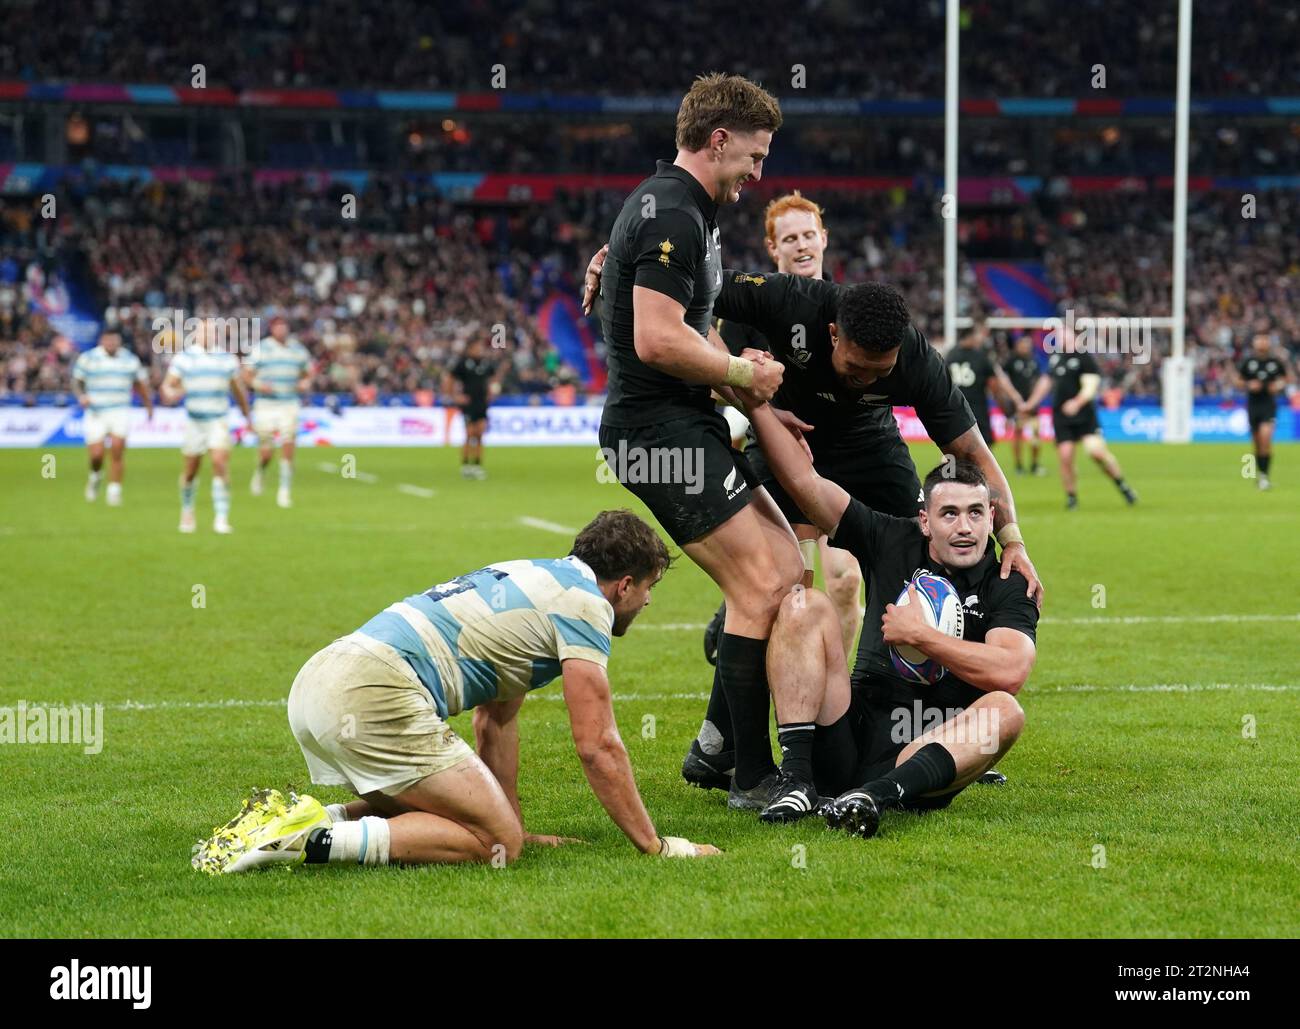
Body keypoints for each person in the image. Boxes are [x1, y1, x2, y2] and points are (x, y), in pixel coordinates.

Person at [584, 251, 1040, 794]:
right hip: (787, 445)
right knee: (777, 586)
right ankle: (722, 744)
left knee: (928, 559)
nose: (867, 377)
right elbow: (681, 292)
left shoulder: (918, 361)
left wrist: (1011, 536)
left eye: (881, 370)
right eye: (856, 365)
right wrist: (625, 266)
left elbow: (974, 452)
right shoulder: (785, 299)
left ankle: (939, 734)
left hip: (869, 445)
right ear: (830, 334)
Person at [191, 510, 719, 872]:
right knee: (495, 846)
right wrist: (654, 844)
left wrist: (511, 814)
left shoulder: (535, 574)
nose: (647, 602)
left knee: (468, 820)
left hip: (323, 677)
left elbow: (498, 718)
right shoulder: (587, 605)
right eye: (648, 587)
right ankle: (311, 843)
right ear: (624, 584)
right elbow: (596, 744)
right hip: (374, 691)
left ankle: (302, 819)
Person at [594, 72, 802, 810]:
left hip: (679, 423)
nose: (759, 171)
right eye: (754, 154)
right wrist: (745, 368)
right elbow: (656, 339)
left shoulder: (682, 209)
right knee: (764, 582)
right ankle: (748, 774)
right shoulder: (676, 216)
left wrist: (749, 394)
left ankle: (719, 748)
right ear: (718, 141)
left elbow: (687, 326)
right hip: (657, 431)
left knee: (786, 569)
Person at [740, 394, 1035, 832]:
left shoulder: (1008, 580)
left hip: (924, 753)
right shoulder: (890, 539)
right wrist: (757, 405)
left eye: (976, 513)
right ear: (925, 521)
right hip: (852, 727)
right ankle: (799, 780)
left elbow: (1011, 670)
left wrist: (921, 636)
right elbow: (807, 485)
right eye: (949, 514)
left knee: (1006, 710)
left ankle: (875, 796)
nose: (965, 527)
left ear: (992, 518)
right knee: (805, 603)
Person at [1020, 326, 1137, 510]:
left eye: (1063, 333)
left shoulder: (1084, 357)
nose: (1060, 337)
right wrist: (1031, 403)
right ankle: (1071, 497)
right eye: (1058, 335)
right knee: (1065, 457)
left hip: (1084, 415)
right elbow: (1046, 382)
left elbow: (1091, 386)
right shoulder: (1056, 358)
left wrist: (1076, 402)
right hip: (1061, 415)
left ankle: (1122, 484)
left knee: (1096, 452)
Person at [161, 320, 252, 534]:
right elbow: (168, 385)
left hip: (218, 420)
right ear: (195, 334)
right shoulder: (184, 358)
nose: (207, 335)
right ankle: (187, 511)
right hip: (195, 421)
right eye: (203, 331)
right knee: (191, 470)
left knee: (220, 463)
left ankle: (221, 517)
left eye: (211, 331)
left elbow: (237, 389)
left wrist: (247, 414)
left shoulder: (226, 359)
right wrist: (171, 393)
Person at [71, 330, 154, 506]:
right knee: (96, 455)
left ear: (119, 341)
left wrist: (148, 405)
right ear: (102, 340)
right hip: (96, 412)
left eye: (114, 340)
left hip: (120, 410)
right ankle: (95, 477)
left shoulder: (129, 359)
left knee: (117, 450)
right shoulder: (88, 358)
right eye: (108, 340)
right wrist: (81, 396)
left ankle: (114, 491)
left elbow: (139, 384)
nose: (111, 344)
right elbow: (76, 381)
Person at [246, 316, 311, 508]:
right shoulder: (261, 349)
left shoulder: (298, 350)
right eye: (278, 327)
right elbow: (247, 374)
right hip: (266, 404)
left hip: (289, 403)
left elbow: (308, 373)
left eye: (284, 326)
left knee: (288, 442)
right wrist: (259, 385)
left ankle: (284, 490)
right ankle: (261, 471)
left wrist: (305, 383)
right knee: (267, 450)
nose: (281, 330)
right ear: (272, 329)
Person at [945, 320, 1023, 448]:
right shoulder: (981, 357)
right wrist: (1007, 413)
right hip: (976, 414)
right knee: (984, 454)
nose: (983, 338)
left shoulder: (950, 355)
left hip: (954, 412)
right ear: (972, 335)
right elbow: (995, 388)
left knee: (951, 454)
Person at [1235, 330, 1291, 490]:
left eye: (1264, 340)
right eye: (1259, 340)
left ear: (1268, 342)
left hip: (1268, 405)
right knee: (1257, 443)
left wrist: (1278, 386)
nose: (1262, 343)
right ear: (1254, 343)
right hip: (1253, 405)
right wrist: (1248, 385)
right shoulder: (1248, 362)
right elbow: (1238, 381)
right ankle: (1260, 476)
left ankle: (1265, 477)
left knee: (1266, 437)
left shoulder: (1275, 362)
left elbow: (1286, 379)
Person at [444, 338, 504, 480]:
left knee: (480, 435)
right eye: (477, 348)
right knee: (469, 434)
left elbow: (494, 378)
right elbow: (450, 379)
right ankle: (466, 466)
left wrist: (492, 392)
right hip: (468, 404)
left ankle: (477, 466)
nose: (480, 350)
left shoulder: (486, 364)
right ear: (470, 349)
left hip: (481, 403)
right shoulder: (463, 364)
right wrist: (454, 396)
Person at [1003, 335, 1044, 475]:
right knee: (1018, 434)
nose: (1025, 347)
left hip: (1032, 404)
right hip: (1017, 404)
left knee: (1036, 433)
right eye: (1023, 345)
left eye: (1028, 345)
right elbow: (1004, 380)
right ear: (1017, 346)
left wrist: (1033, 401)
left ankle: (1034, 464)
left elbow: (1038, 381)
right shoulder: (1011, 361)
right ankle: (1019, 465)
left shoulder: (1034, 361)